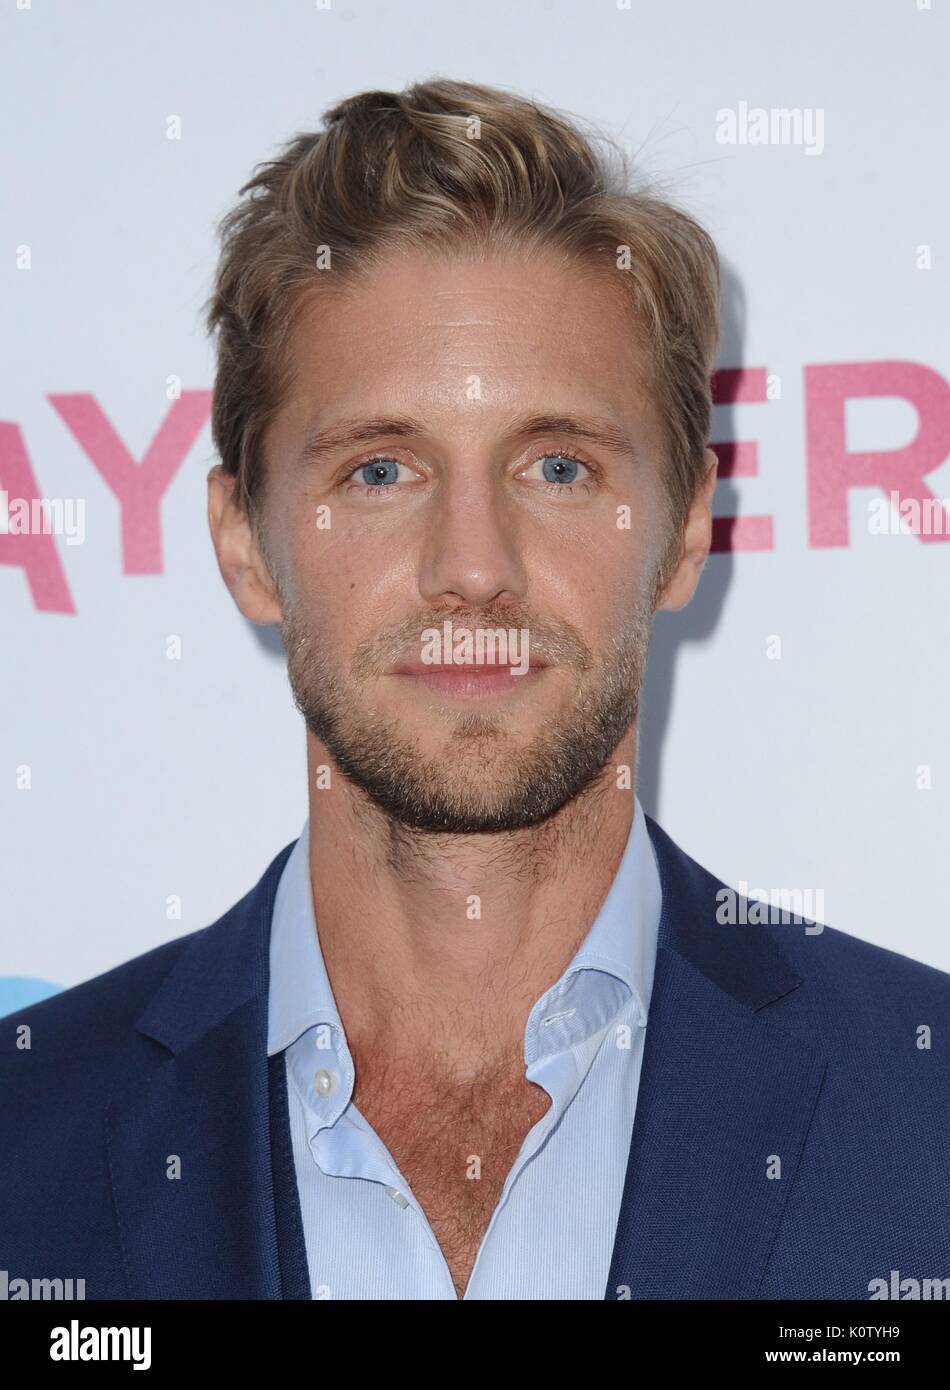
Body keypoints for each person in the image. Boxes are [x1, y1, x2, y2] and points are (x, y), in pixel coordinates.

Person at [3, 79, 948, 1302]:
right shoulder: (27, 1140)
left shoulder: (921, 1110)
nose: (472, 570)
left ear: (679, 533)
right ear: (243, 541)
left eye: (556, 465)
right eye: (381, 468)